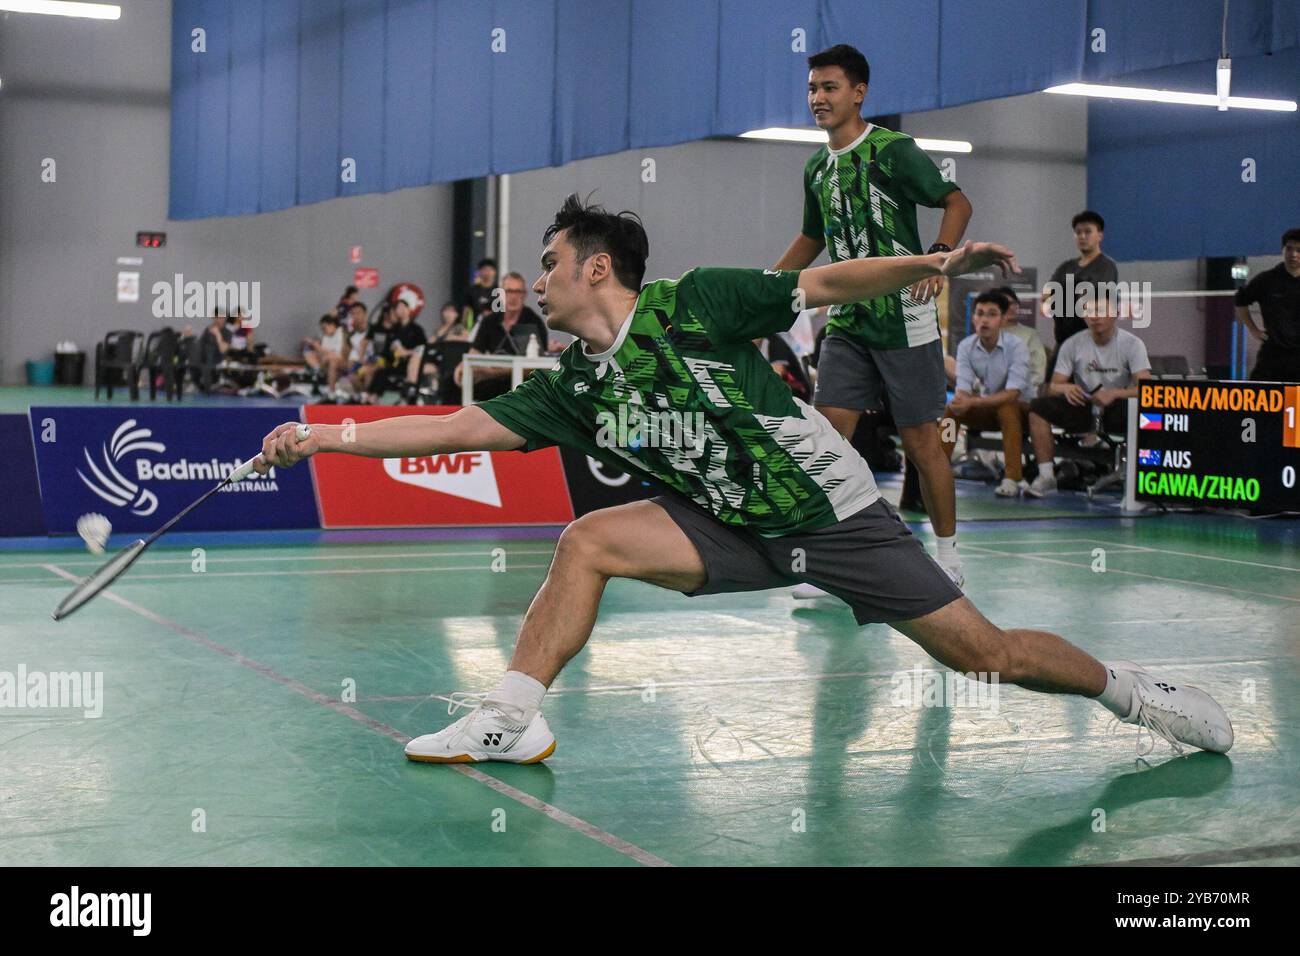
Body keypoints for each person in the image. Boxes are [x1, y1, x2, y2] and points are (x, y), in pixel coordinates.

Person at [256, 194, 1232, 765]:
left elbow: (824, 283)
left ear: (598, 270)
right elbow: (463, 425)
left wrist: (931, 262)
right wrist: (322, 432)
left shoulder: (695, 303)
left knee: (982, 656)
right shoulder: (577, 386)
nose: (535, 279)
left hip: (834, 513)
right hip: (727, 525)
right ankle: (510, 715)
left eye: (548, 264)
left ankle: (1132, 690)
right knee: (586, 539)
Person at [773, 44, 973, 590]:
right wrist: (767, 289)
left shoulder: (894, 150)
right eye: (812, 88)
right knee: (827, 438)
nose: (817, 98)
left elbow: (957, 202)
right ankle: (824, 557)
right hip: (848, 322)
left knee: (922, 442)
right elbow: (813, 236)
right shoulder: (817, 167)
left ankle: (949, 557)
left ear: (858, 93)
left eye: (829, 87)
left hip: (905, 320)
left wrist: (939, 256)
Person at [1026, 299, 1152, 497]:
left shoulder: (1133, 344)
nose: (1094, 316)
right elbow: (1054, 386)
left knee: (1147, 412)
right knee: (1039, 407)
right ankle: (1046, 476)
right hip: (1083, 405)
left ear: (1115, 313)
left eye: (1101, 310)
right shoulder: (1072, 343)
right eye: (1089, 311)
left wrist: (1114, 393)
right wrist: (1066, 388)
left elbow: (1147, 389)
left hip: (1117, 407)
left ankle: (1142, 478)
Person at [943, 292, 1031, 497]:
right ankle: (939, 463)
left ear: (1002, 319)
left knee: (1007, 408)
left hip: (1023, 412)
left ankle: (1013, 477)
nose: (984, 319)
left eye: (991, 314)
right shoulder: (966, 346)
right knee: (952, 409)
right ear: (973, 317)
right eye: (980, 313)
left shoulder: (1016, 347)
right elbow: (963, 390)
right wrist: (962, 401)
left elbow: (1012, 394)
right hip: (987, 409)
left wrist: (972, 401)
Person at [454, 271, 549, 402]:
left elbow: (533, 368)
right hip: (491, 378)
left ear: (524, 295)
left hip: (520, 380)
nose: (513, 297)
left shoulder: (531, 322)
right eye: (509, 291)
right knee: (452, 381)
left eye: (518, 292)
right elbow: (475, 351)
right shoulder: (490, 321)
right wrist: (462, 367)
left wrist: (492, 372)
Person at [1041, 211, 1118, 368]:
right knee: (1051, 388)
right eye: (1078, 232)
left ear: (1100, 236)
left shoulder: (1106, 266)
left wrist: (1062, 293)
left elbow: (1089, 300)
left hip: (1090, 344)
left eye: (1088, 231)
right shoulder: (1065, 267)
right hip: (1062, 342)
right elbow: (1046, 296)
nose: (1082, 236)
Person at [1235, 227, 1300, 383]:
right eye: (1289, 249)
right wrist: (1253, 329)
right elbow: (1240, 301)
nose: (1293, 254)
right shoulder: (1267, 280)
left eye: (1299, 250)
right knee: (1257, 397)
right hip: (1273, 353)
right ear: (1283, 250)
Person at [994, 285, 1047, 395]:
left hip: (1020, 393)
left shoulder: (1029, 334)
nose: (1011, 307)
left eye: (1014, 303)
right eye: (1005, 303)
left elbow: (1038, 373)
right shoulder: (988, 333)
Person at [302, 313, 348, 392]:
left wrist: (316, 345)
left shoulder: (341, 333)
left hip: (341, 359)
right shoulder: (326, 336)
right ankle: (318, 370)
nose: (323, 331)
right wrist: (316, 348)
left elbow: (337, 354)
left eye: (324, 328)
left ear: (332, 325)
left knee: (331, 360)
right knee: (308, 353)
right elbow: (324, 352)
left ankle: (330, 389)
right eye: (322, 329)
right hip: (327, 359)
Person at [462, 258, 498, 330]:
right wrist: (464, 328)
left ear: (494, 272)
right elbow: (466, 311)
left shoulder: (499, 291)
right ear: (479, 272)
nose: (488, 272)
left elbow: (502, 313)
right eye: (485, 269)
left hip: (494, 329)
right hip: (475, 328)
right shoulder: (471, 291)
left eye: (490, 269)